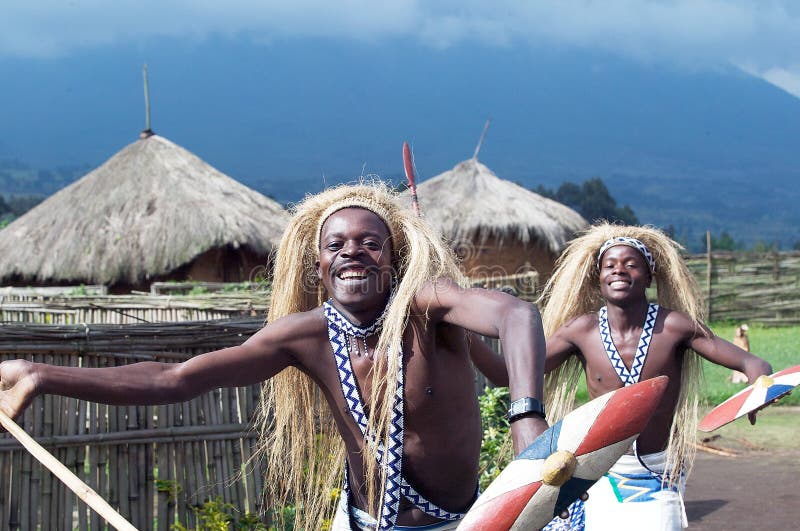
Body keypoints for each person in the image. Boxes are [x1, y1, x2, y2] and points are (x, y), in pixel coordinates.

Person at [0, 182, 548, 531]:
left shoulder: (429, 308)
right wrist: (40, 373)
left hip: (465, 523)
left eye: (370, 243)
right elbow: (175, 378)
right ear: (318, 268)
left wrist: (526, 419)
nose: (352, 251)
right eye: (335, 245)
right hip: (362, 523)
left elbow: (515, 316)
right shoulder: (303, 337)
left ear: (393, 260)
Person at [538, 223, 773, 530]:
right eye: (609, 265)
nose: (619, 270)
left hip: (658, 473)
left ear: (649, 276)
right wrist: (470, 340)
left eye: (631, 264)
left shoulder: (675, 326)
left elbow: (752, 362)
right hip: (603, 474)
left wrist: (758, 393)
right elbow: (511, 373)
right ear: (598, 278)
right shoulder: (581, 331)